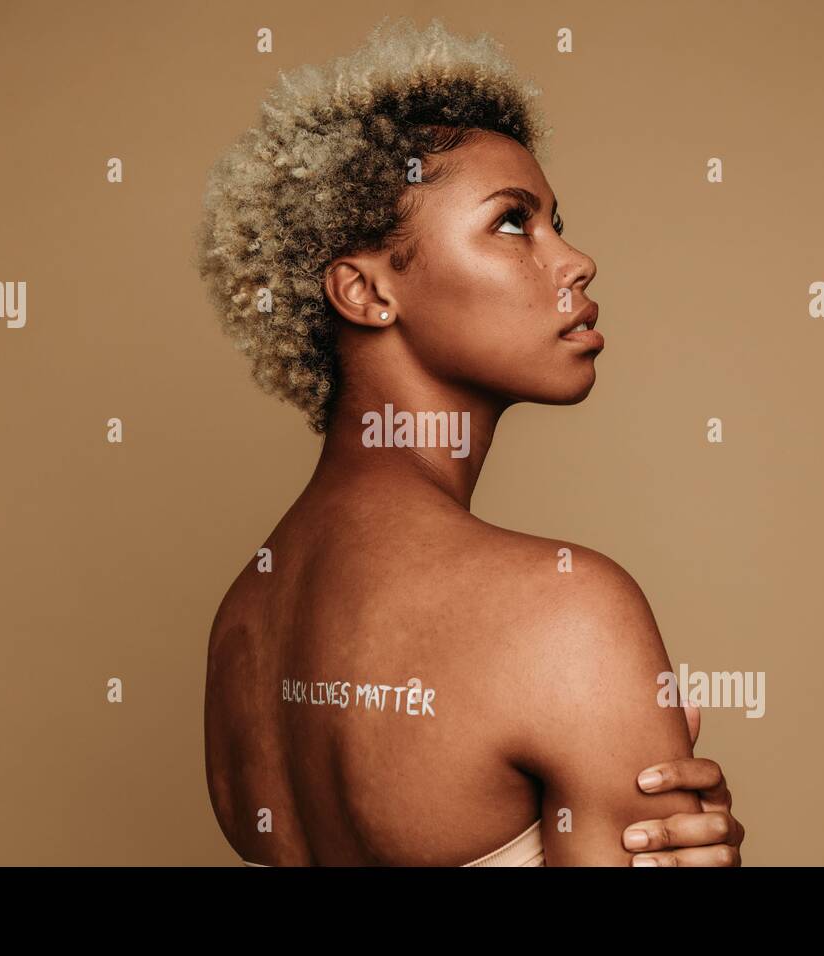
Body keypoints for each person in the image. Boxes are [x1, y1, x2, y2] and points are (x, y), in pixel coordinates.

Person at [195, 17, 745, 866]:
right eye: (514, 224)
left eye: (558, 222)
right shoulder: (566, 611)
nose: (577, 261)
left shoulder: (243, 626)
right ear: (365, 291)